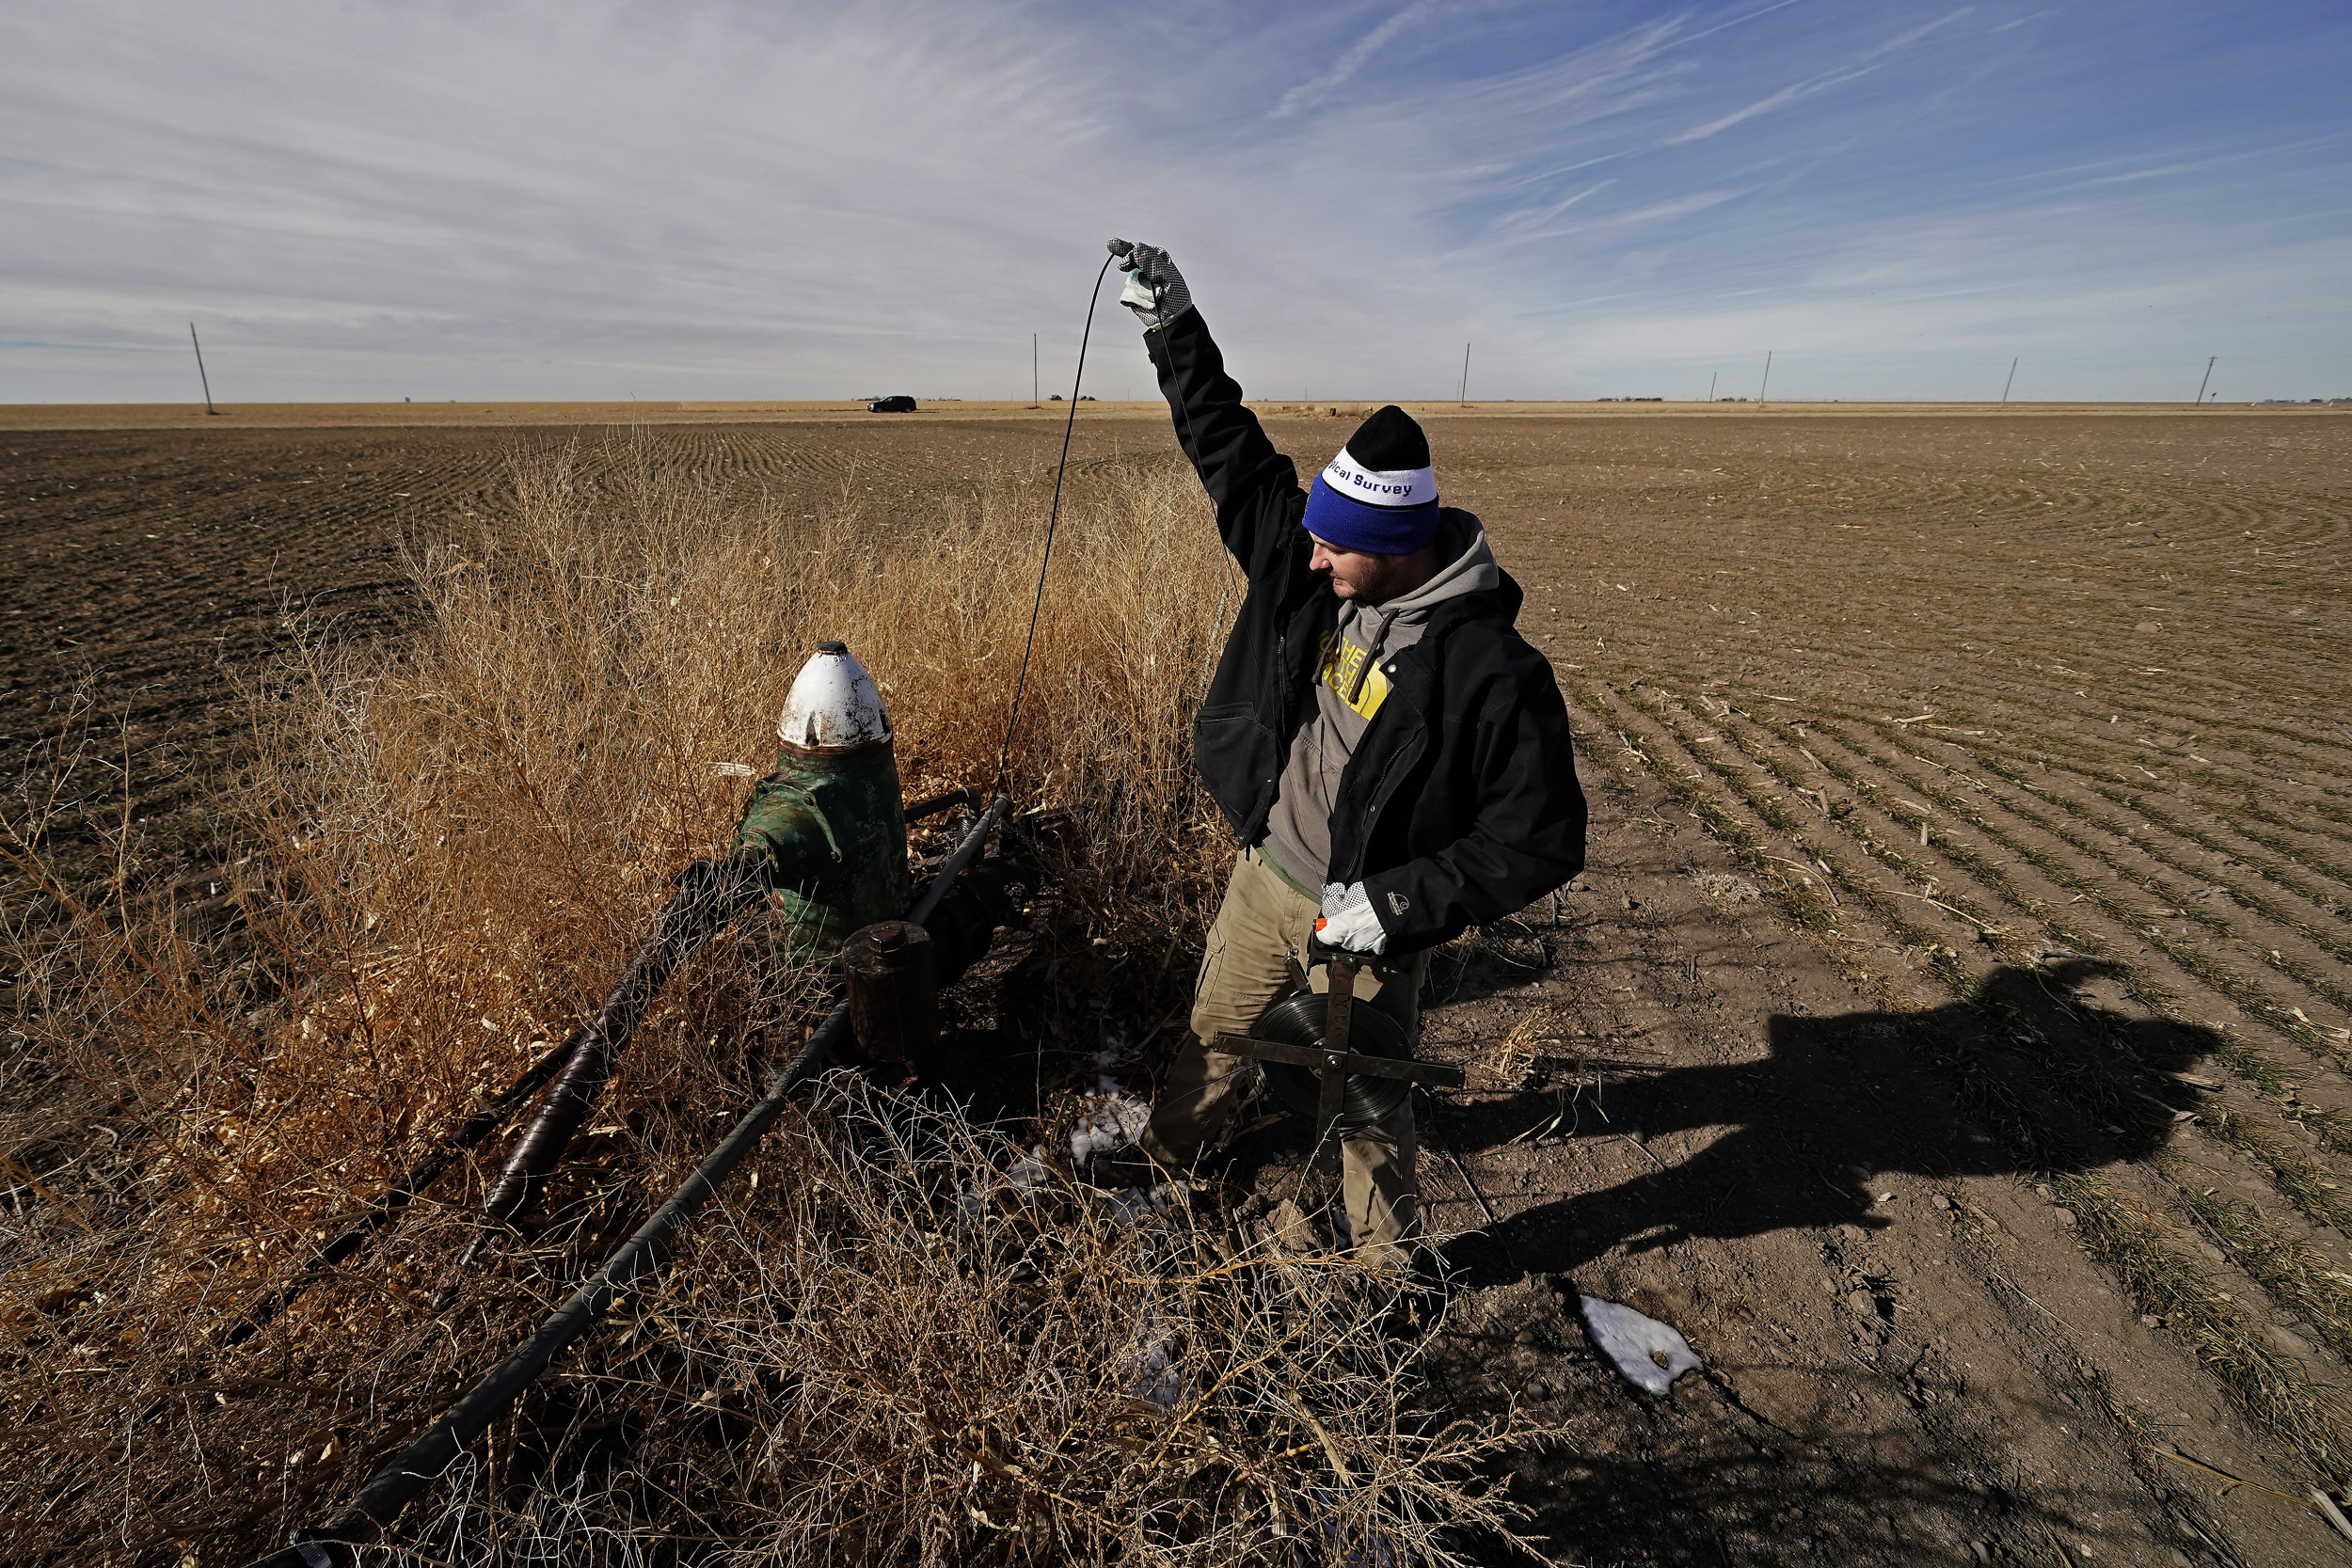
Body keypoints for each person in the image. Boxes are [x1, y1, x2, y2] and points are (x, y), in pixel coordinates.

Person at [1104, 239, 1586, 1274]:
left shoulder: (1490, 672)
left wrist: (1400, 902)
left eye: (1333, 545)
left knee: (1363, 1104)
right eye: (1311, 539)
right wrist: (1172, 325)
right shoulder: (1316, 569)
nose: (1308, 558)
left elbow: (1539, 838)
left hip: (1365, 923)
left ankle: (1389, 1269)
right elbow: (1228, 451)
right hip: (1264, 878)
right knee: (1215, 1035)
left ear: (1400, 544)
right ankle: (1164, 1169)